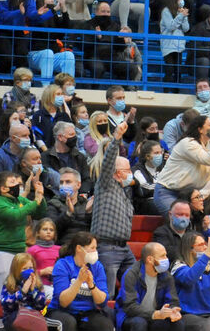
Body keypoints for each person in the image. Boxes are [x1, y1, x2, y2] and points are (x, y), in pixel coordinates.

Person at [88, 118, 137, 297]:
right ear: (116, 173)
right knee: (106, 292)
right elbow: (108, 162)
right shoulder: (105, 184)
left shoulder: (124, 191)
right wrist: (116, 137)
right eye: (127, 170)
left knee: (135, 284)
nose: (130, 174)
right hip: (106, 247)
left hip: (125, 248)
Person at [0, 170, 48, 297]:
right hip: (1, 251)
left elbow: (39, 213)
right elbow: (15, 215)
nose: (18, 186)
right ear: (3, 188)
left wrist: (40, 197)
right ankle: (0, 317)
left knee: (20, 290)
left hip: (19, 251)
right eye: (13, 182)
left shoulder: (19, 200)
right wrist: (35, 202)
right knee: (4, 292)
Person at [50, 231, 114, 331]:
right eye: (92, 248)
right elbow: (63, 302)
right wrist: (79, 281)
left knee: (104, 325)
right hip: (61, 311)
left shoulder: (97, 267)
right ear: (79, 248)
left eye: (96, 248)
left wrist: (91, 285)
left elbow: (102, 302)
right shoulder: (63, 265)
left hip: (87, 312)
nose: (95, 251)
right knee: (69, 323)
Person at [172, 232, 210, 331]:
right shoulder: (179, 265)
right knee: (205, 325)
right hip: (187, 314)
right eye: (201, 245)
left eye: (205, 244)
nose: (205, 247)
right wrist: (208, 253)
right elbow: (189, 279)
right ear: (190, 249)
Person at [118, 241, 184, 331]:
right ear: (150, 259)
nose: (166, 259)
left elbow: (172, 301)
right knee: (140, 323)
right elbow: (130, 307)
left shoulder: (167, 276)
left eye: (166, 255)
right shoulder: (131, 275)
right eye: (162, 256)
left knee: (177, 323)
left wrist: (172, 311)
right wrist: (156, 314)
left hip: (157, 315)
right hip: (131, 316)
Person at [0, 252, 56, 331]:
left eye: (30, 268)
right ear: (16, 270)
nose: (29, 271)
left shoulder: (38, 284)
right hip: (13, 319)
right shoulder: (9, 284)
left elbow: (41, 306)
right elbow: (5, 304)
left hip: (32, 318)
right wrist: (22, 292)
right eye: (24, 269)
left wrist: (33, 291)